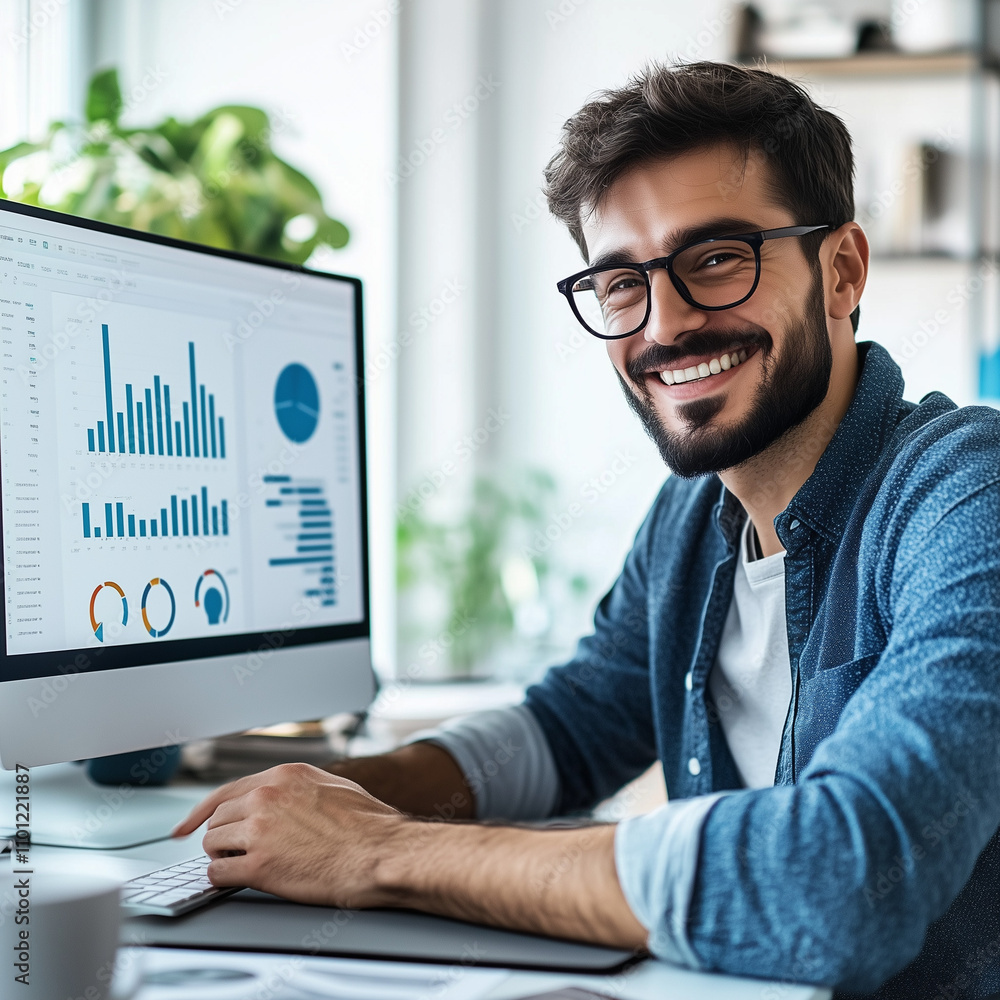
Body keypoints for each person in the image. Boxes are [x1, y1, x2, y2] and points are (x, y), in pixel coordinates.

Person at [175, 62, 1000, 999]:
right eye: (620, 283)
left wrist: (379, 853)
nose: (667, 324)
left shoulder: (965, 494)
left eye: (718, 258)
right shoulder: (695, 517)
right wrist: (324, 799)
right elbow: (570, 732)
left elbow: (842, 882)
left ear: (841, 270)